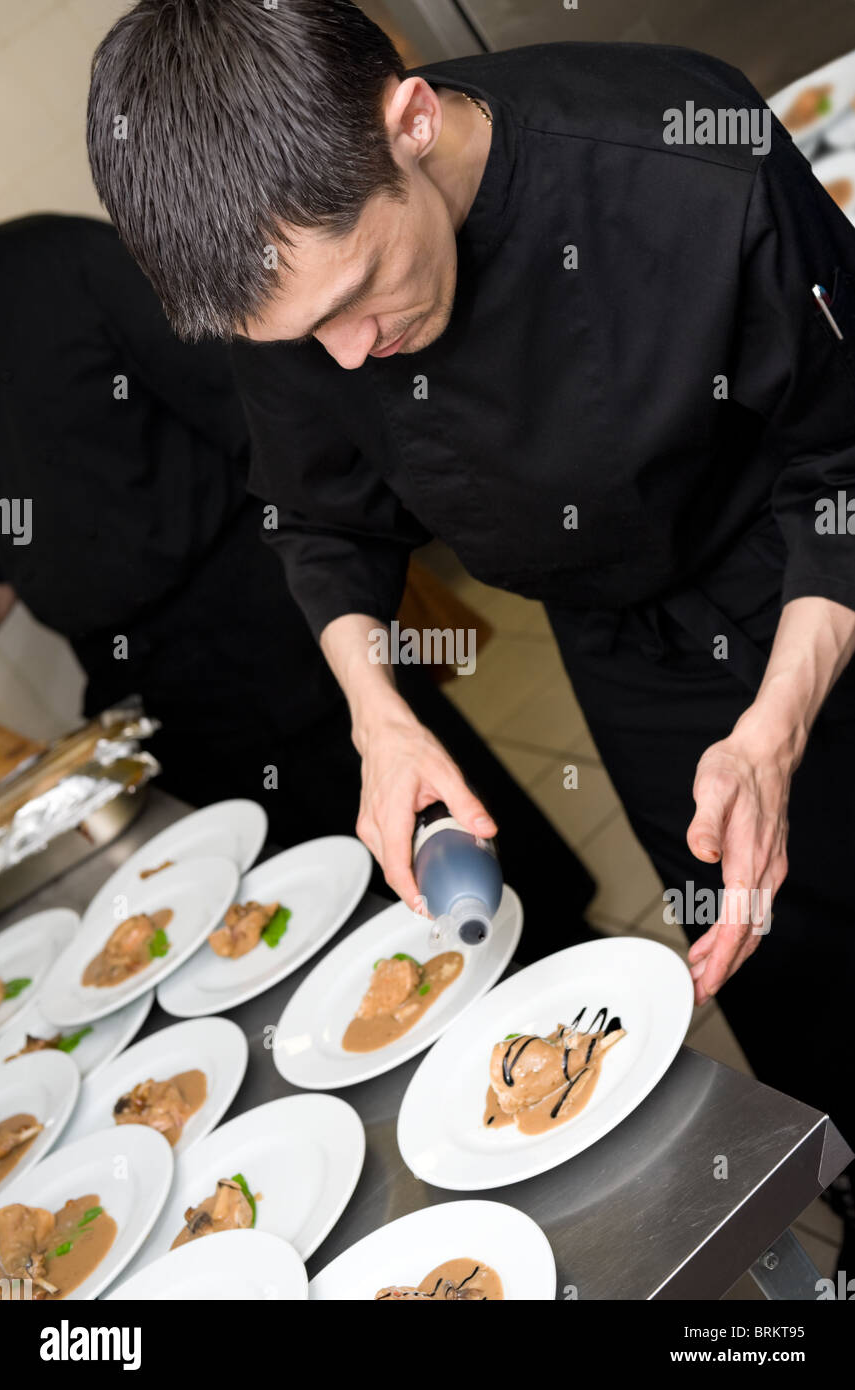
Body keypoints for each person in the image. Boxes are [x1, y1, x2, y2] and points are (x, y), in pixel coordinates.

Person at [86, 2, 855, 1261]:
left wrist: (773, 728)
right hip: (619, 647)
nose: (345, 356)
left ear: (410, 122)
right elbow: (318, 517)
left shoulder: (679, 156)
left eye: (357, 300)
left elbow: (842, 460)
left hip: (811, 592)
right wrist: (377, 718)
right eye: (303, 338)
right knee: (773, 959)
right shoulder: (292, 275)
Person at [0, 213, 594, 930]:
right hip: (133, 679)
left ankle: (564, 945)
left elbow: (260, 421)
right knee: (287, 893)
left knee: (428, 811)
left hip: (263, 604)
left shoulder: (61, 260)